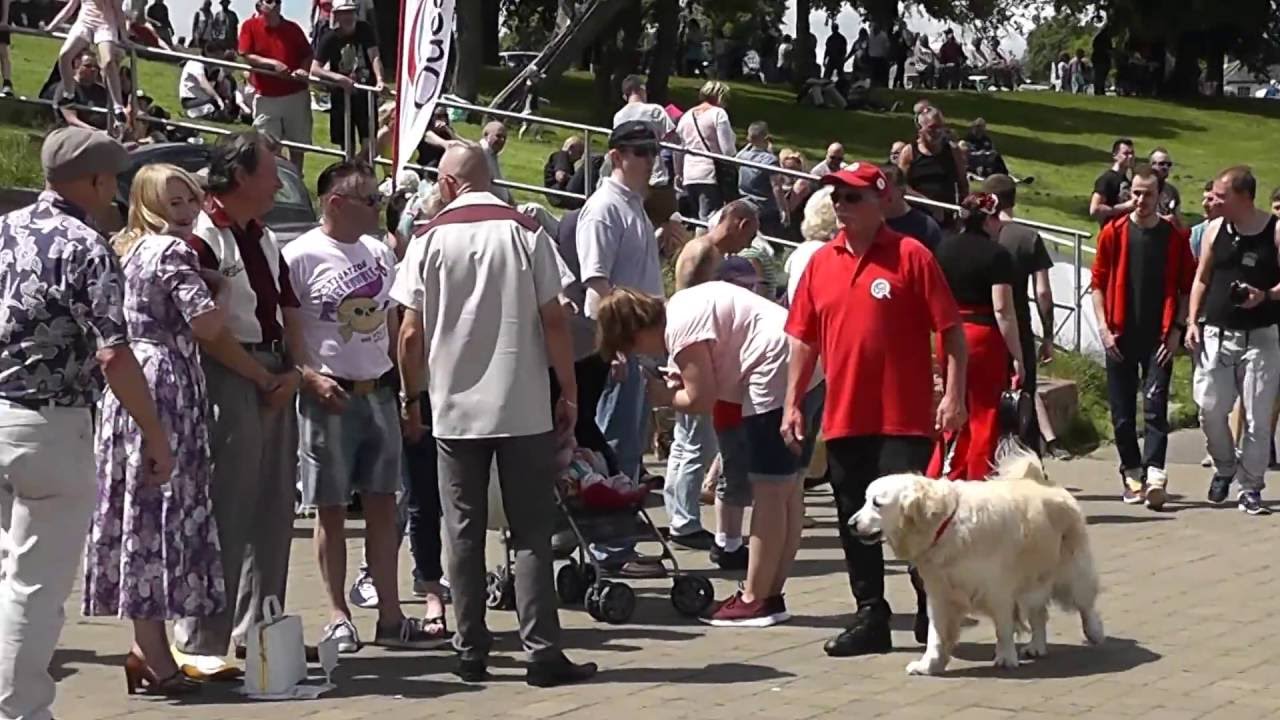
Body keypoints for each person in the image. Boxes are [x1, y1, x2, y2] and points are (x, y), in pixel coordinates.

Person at [392, 144, 597, 687]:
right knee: (529, 531)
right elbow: (554, 320)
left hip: (454, 409)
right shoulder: (525, 232)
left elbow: (409, 332)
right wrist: (568, 389)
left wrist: (411, 399)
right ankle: (542, 651)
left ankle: (470, 649)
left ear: (448, 181)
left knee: (461, 528)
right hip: (522, 402)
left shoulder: (428, 239)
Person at [0, 127, 174, 718]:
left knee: (8, 576)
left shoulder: (5, 229)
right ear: (97, 180)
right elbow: (113, 353)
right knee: (36, 586)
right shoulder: (87, 246)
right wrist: (154, 432)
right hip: (50, 425)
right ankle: (21, 709)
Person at [783, 162, 966, 656]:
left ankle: (931, 608)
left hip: (903, 417)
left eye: (853, 198)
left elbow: (950, 330)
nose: (841, 206)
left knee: (909, 520)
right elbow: (802, 339)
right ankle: (871, 615)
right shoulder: (822, 262)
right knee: (852, 517)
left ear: (881, 200)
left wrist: (953, 394)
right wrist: (792, 403)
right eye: (837, 198)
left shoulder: (912, 256)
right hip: (845, 416)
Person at [598, 283, 824, 627]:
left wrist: (664, 397)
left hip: (774, 370)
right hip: (806, 364)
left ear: (635, 333)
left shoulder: (680, 331)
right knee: (789, 490)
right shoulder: (682, 307)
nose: (641, 355)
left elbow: (701, 400)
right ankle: (770, 594)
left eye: (631, 349)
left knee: (769, 492)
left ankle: (755, 600)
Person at [83, 163, 227, 697]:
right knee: (162, 511)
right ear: (147, 204)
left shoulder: (129, 248)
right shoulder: (171, 250)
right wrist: (223, 290)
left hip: (136, 380)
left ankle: (150, 646)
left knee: (143, 512)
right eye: (174, 203)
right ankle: (154, 651)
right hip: (164, 381)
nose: (187, 212)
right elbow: (208, 325)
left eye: (191, 200)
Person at [282, 161, 437, 651]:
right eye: (368, 200)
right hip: (329, 396)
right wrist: (308, 378)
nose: (377, 208)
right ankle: (337, 616)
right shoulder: (299, 256)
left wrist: (409, 397)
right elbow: (288, 332)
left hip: (380, 393)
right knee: (329, 508)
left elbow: (394, 330)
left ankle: (390, 615)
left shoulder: (378, 252)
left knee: (384, 505)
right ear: (335, 203)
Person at [170, 131, 303, 678]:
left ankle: (262, 629)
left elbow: (290, 308)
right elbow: (204, 327)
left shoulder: (263, 235)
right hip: (230, 372)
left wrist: (294, 371)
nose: (278, 181)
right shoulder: (202, 236)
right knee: (228, 504)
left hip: (273, 371)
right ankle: (203, 637)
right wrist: (257, 374)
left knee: (274, 508)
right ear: (241, 176)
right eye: (271, 170)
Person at [1092, 165, 1194, 509]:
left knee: (1155, 407)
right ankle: (1131, 472)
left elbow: (1186, 286)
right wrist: (1104, 330)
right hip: (1120, 334)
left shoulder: (1174, 237)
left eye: (1148, 194)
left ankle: (1155, 475)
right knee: (1122, 413)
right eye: (1135, 193)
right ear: (1127, 193)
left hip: (1159, 336)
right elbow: (1097, 285)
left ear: (1160, 196)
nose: (1140, 200)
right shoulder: (1114, 232)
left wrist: (1177, 331)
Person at [666, 202, 760, 561]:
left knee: (687, 440)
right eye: (747, 234)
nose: (743, 246)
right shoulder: (704, 251)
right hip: (694, 350)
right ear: (739, 222)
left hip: (697, 349)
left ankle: (680, 514)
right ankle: (685, 520)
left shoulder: (706, 250)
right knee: (695, 441)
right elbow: (692, 303)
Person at [1186, 166, 1280, 516]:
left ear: (1244, 198)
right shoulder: (1214, 229)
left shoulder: (1275, 231)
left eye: (1222, 196)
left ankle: (1251, 486)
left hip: (1261, 338)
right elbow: (1201, 279)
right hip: (1217, 334)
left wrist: (1266, 295)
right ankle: (1225, 466)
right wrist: (1192, 320)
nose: (1214, 201)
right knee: (1209, 408)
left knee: (1256, 417)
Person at [927, 193, 1024, 481]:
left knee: (953, 403)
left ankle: (940, 472)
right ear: (989, 219)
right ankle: (977, 479)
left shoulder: (942, 250)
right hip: (983, 337)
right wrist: (1017, 356)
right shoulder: (997, 255)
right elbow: (1002, 309)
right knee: (984, 412)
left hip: (948, 333)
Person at [983, 174, 1056, 452]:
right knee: (1024, 393)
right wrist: (1048, 335)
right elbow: (1043, 292)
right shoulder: (1028, 238)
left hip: (985, 324)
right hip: (1020, 323)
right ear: (1014, 198)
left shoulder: (981, 235)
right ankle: (1025, 456)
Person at [239, 0, 314, 172]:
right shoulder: (249, 26)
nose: (275, 5)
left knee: (297, 145)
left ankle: (296, 180)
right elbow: (246, 54)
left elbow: (308, 54)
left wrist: (303, 70)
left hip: (295, 94)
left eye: (278, 1)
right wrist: (272, 64)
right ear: (259, 5)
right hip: (266, 95)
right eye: (269, 1)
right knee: (266, 143)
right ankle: (272, 178)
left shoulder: (293, 28)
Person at [311, 0, 385, 158]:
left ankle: (359, 169)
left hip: (365, 95)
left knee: (370, 145)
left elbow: (374, 55)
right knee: (346, 146)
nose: (348, 17)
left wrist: (379, 79)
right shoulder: (329, 38)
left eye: (351, 12)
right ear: (336, 15)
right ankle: (350, 171)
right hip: (342, 97)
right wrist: (338, 79)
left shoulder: (365, 30)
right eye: (344, 13)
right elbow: (315, 69)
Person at [49, 0, 128, 130]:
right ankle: (69, 94)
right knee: (64, 55)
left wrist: (124, 36)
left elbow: (119, 11)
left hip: (105, 24)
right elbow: (70, 7)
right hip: (85, 21)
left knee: (108, 61)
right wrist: (52, 26)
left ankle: (118, 107)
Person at [675, 80, 735, 220]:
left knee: (697, 219)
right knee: (709, 219)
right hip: (710, 174)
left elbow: (678, 150)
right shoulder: (718, 114)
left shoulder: (686, 116)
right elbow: (728, 151)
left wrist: (678, 173)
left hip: (689, 174)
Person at [898, 107, 968, 218]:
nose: (938, 132)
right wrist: (930, 204)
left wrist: (963, 211)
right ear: (920, 129)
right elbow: (900, 185)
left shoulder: (953, 151)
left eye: (941, 127)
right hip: (918, 216)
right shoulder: (909, 153)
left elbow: (963, 183)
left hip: (947, 217)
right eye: (932, 128)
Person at [735, 121, 788, 237]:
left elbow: (737, 156)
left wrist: (751, 143)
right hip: (765, 208)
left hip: (745, 203)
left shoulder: (743, 157)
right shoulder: (770, 160)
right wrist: (783, 210)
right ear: (767, 137)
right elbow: (776, 187)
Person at [879, 163, 943, 252]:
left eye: (887, 191)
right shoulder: (870, 223)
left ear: (902, 191)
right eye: (878, 191)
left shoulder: (926, 227)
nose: (882, 196)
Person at [44, 49, 110, 131]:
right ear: (76, 66)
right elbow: (71, 120)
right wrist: (96, 132)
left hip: (99, 133)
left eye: (96, 67)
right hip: (73, 132)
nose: (93, 70)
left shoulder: (101, 91)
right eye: (88, 66)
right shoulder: (67, 88)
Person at [1090, 138, 1136, 225]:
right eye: (1126, 153)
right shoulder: (1106, 179)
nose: (1130, 157)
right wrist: (1125, 206)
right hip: (1111, 232)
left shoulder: (1127, 180)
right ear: (1115, 155)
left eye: (1132, 153)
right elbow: (1094, 209)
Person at [544, 135, 584, 209]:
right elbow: (561, 176)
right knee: (589, 166)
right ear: (571, 148)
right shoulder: (562, 156)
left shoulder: (565, 159)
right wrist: (575, 178)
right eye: (580, 152)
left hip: (558, 195)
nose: (580, 157)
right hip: (559, 195)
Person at [479, 121, 512, 204]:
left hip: (503, 205)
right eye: (498, 136)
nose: (502, 141)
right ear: (486, 135)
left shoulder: (492, 154)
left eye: (504, 138)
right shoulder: (481, 153)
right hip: (491, 206)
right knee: (535, 210)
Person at [1149, 147, 1181, 223]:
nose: (1165, 167)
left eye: (1168, 164)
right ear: (1152, 165)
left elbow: (1177, 217)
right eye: (1161, 164)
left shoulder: (1172, 191)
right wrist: (1162, 219)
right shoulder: (1142, 188)